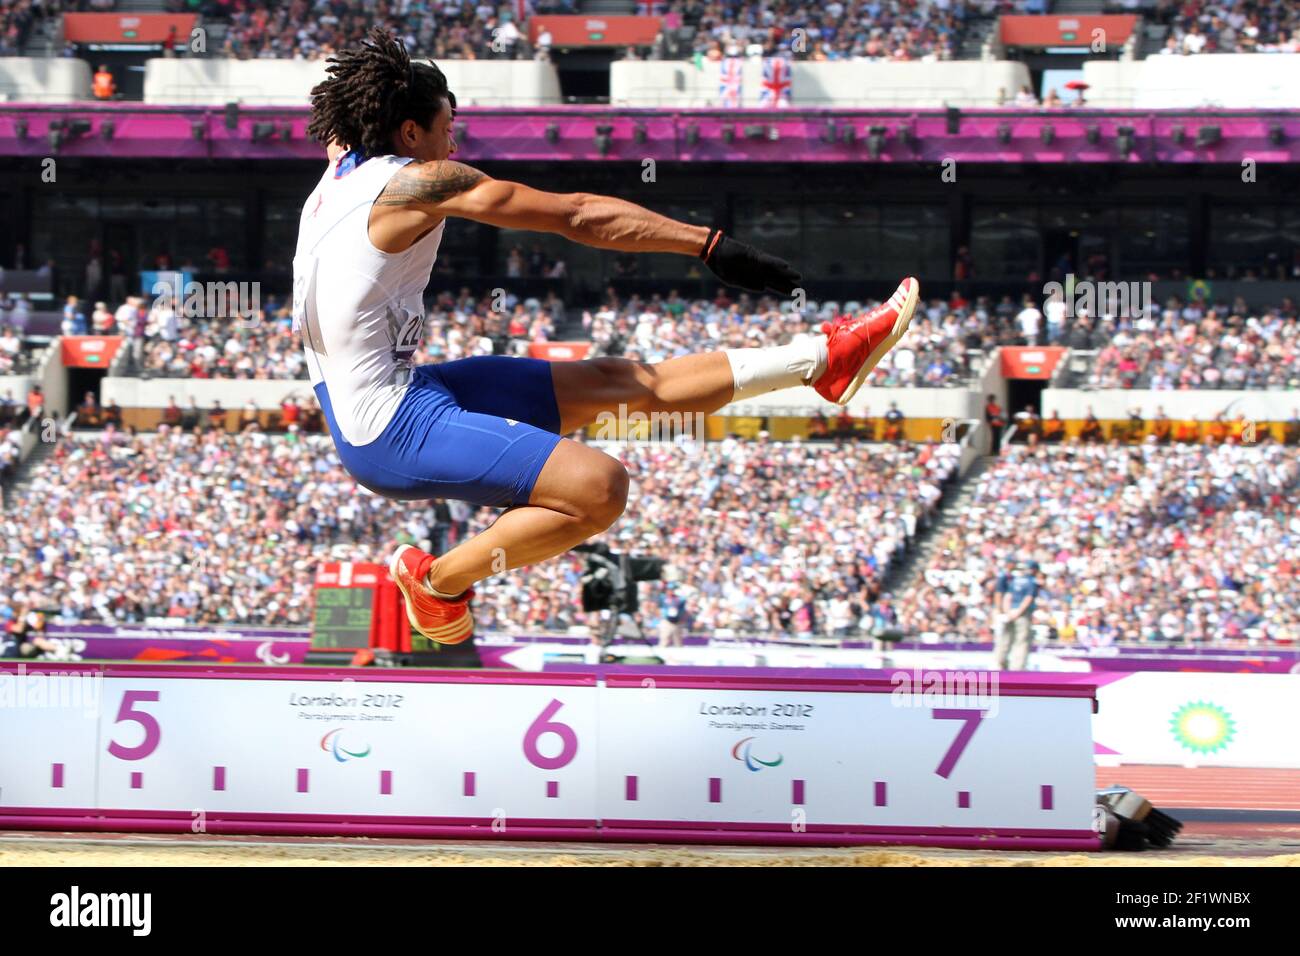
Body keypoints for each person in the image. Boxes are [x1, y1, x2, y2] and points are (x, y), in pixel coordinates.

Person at [296, 30, 920, 646]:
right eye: (445, 126)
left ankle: (822, 360)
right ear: (408, 135)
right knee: (599, 487)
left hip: (401, 390)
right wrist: (706, 243)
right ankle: (437, 583)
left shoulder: (338, 172)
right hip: (384, 430)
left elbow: (343, 120)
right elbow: (575, 215)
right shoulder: (416, 183)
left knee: (618, 381)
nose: (453, 141)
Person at [994, 559, 1040, 670]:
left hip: (1009, 612)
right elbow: (1028, 599)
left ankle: (1000, 665)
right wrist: (1018, 613)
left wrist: (1007, 612)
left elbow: (1007, 597)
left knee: (1005, 639)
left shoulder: (1015, 581)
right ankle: (1017, 669)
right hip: (1022, 614)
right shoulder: (1031, 582)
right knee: (1021, 641)